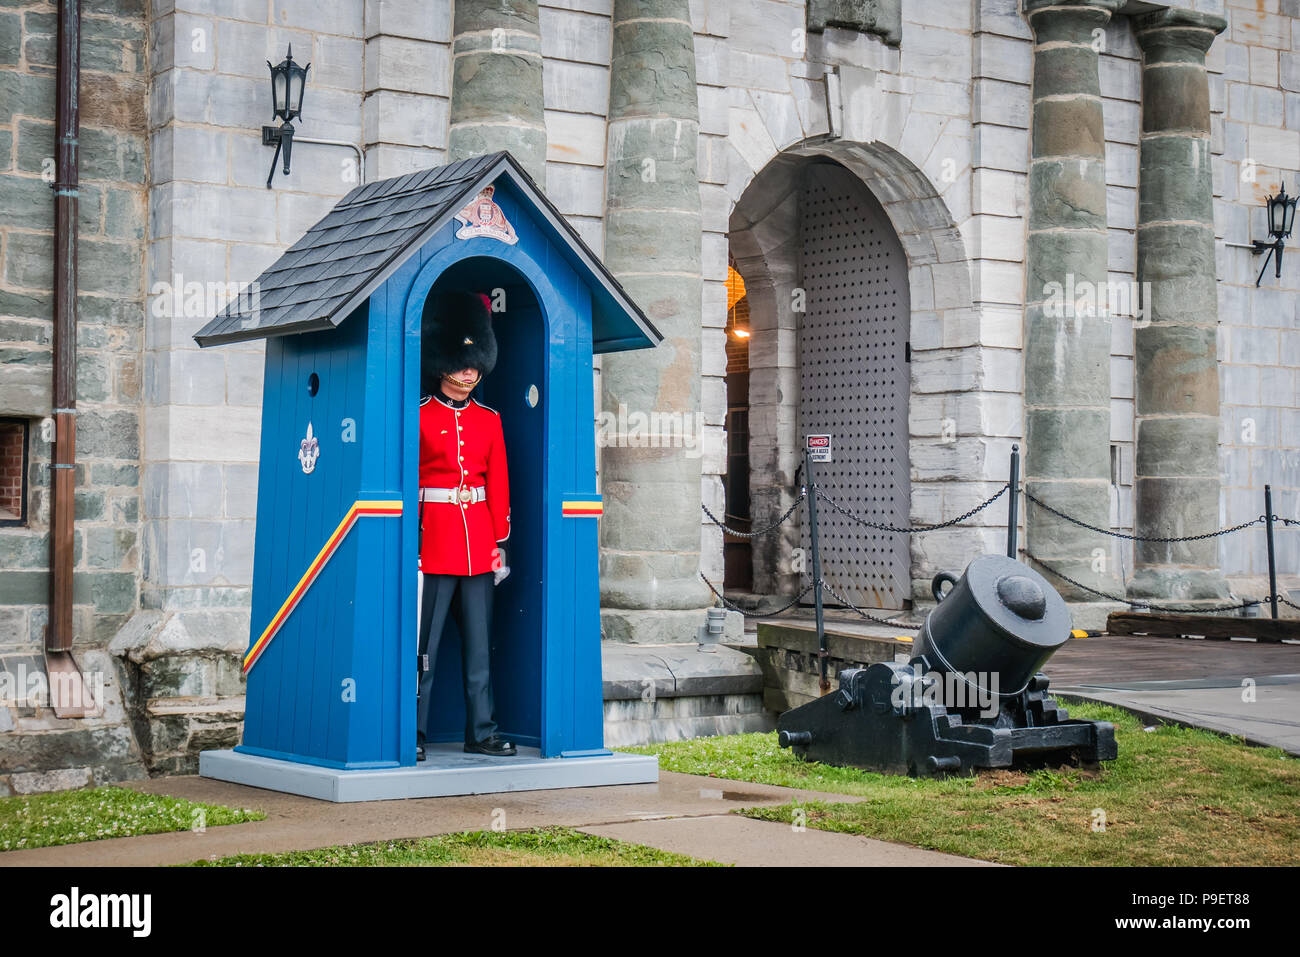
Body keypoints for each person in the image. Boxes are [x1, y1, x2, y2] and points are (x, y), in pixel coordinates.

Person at [416, 289, 515, 760]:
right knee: (425, 649)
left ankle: (481, 731)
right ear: (441, 364)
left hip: (478, 542)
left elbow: (498, 484)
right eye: (460, 363)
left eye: (473, 363)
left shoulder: (489, 420)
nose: (468, 372)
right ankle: (413, 730)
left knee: (478, 650)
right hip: (432, 542)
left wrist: (499, 542)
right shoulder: (418, 416)